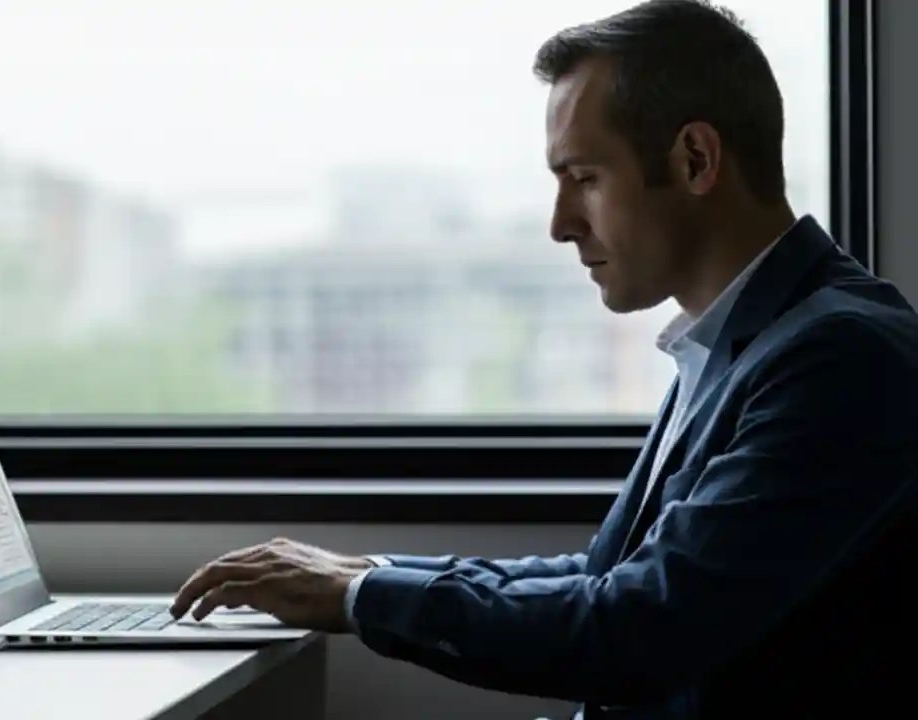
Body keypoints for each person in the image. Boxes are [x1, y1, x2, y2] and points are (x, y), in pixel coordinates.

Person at [170, 0, 918, 717]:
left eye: (585, 180)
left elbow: (637, 627)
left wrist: (360, 599)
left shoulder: (839, 358)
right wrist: (370, 574)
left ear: (695, 159)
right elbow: (610, 577)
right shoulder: (746, 340)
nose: (561, 226)